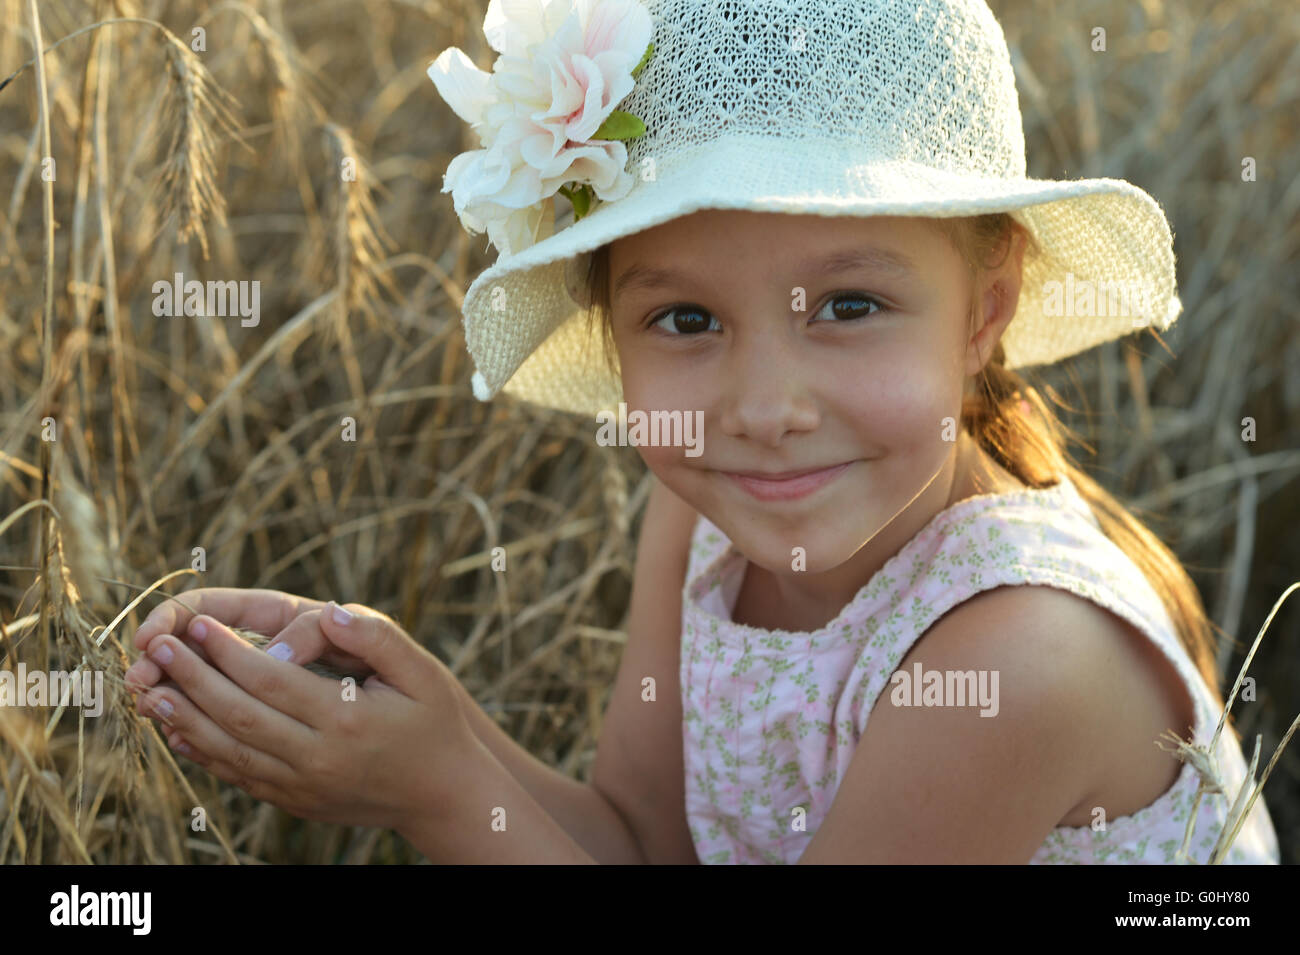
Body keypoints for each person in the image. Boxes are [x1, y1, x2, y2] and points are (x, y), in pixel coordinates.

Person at [125, 0, 1280, 863]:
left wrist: (432, 796)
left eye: (847, 306)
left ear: (985, 308)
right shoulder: (704, 513)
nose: (760, 408)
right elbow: (639, 842)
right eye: (685, 318)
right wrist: (428, 725)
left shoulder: (1015, 660)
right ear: (610, 325)